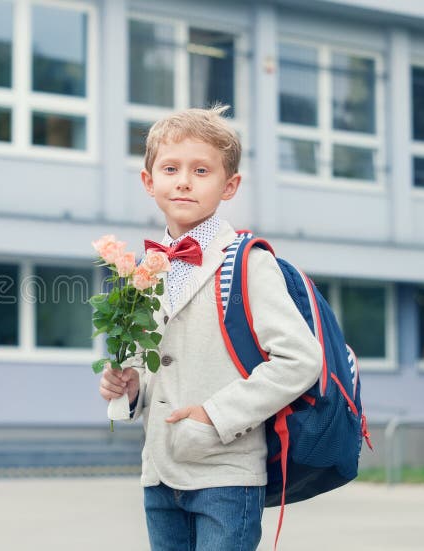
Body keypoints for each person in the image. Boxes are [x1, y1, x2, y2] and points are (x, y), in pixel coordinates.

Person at [98, 105, 322, 551]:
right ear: (149, 181)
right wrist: (130, 386)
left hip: (226, 474)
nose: (183, 180)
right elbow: (155, 362)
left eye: (201, 170)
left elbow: (301, 360)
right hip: (159, 473)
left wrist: (214, 416)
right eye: (171, 168)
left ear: (229, 185)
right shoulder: (148, 269)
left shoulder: (249, 264)